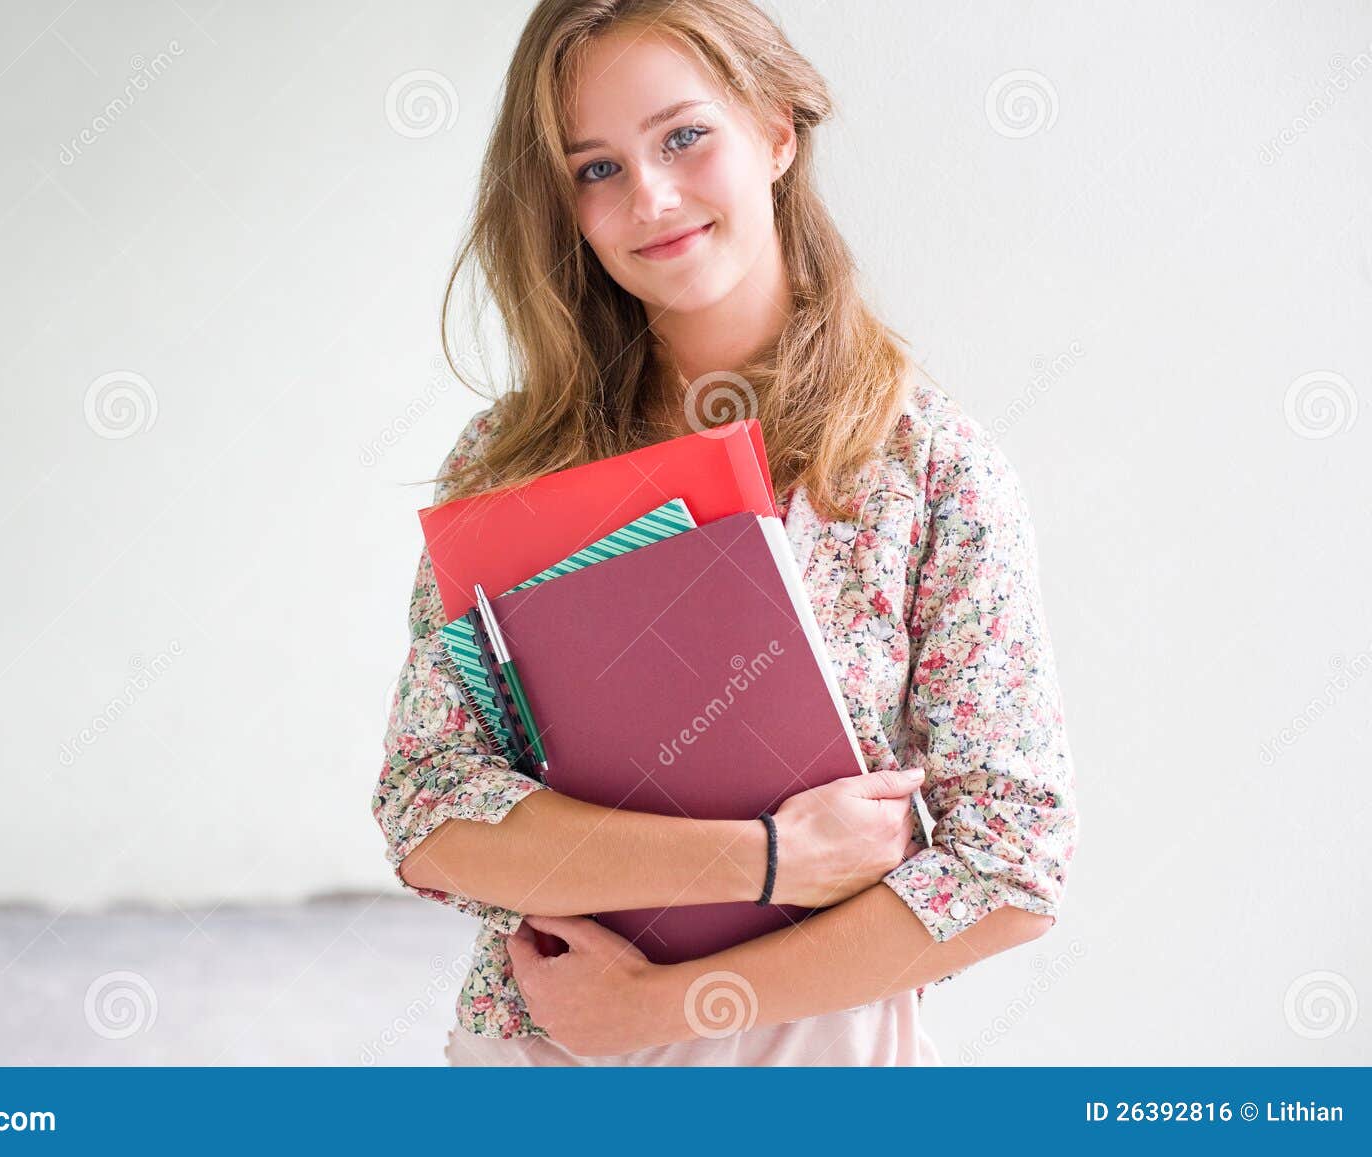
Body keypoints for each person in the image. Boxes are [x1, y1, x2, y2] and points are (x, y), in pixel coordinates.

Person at [371, 0, 1079, 1066]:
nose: (648, 196)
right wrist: (766, 859)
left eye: (683, 136)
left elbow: (1009, 867)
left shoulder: (927, 469)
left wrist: (670, 1004)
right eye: (593, 168)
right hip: (538, 1069)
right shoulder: (507, 464)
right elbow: (429, 816)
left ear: (777, 132)